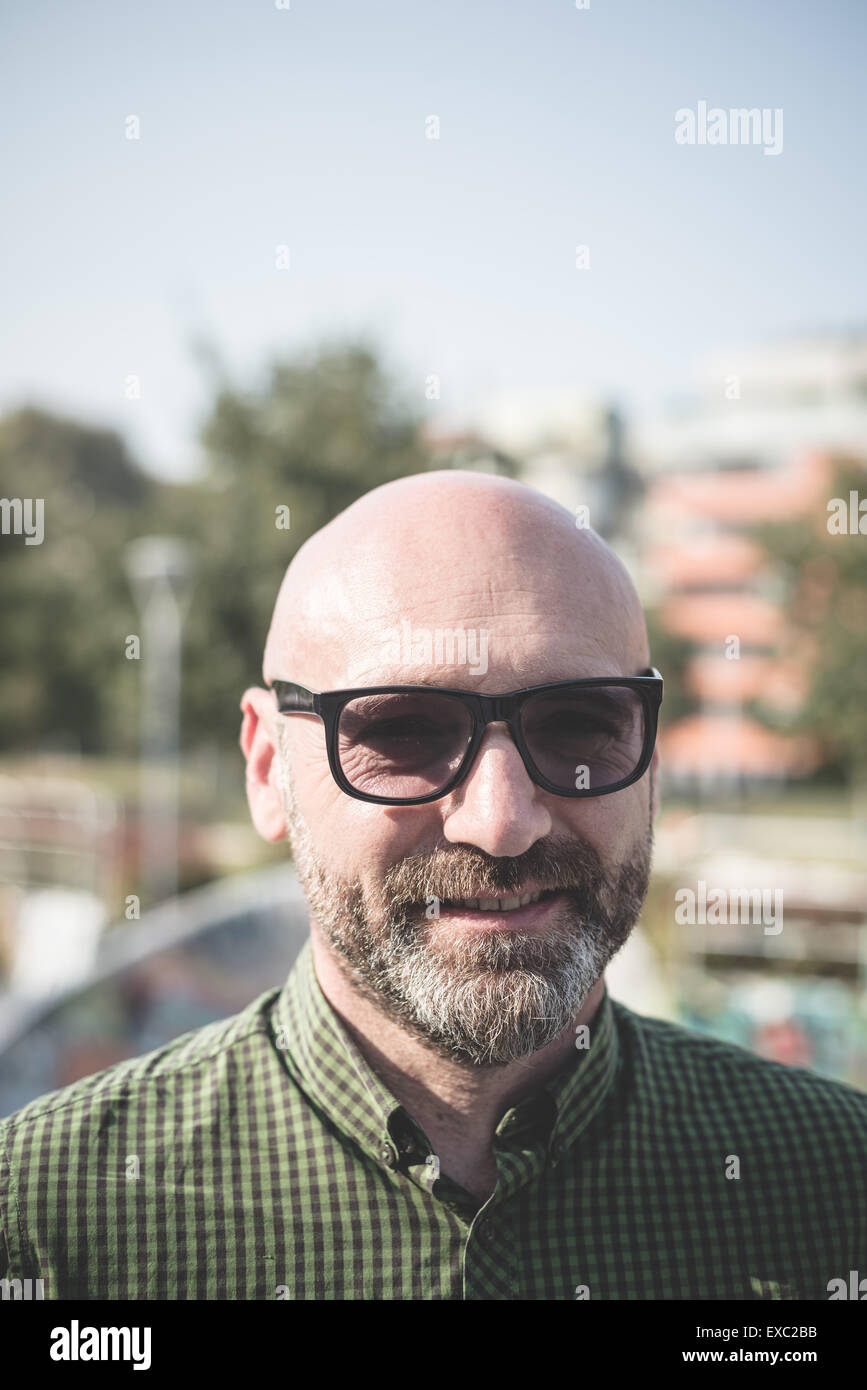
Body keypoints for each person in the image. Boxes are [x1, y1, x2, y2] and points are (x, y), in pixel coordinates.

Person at [1, 471, 864, 1300]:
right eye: (404, 730)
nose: (501, 820)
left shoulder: (835, 1188)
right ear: (269, 770)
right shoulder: (46, 1219)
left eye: (577, 723)